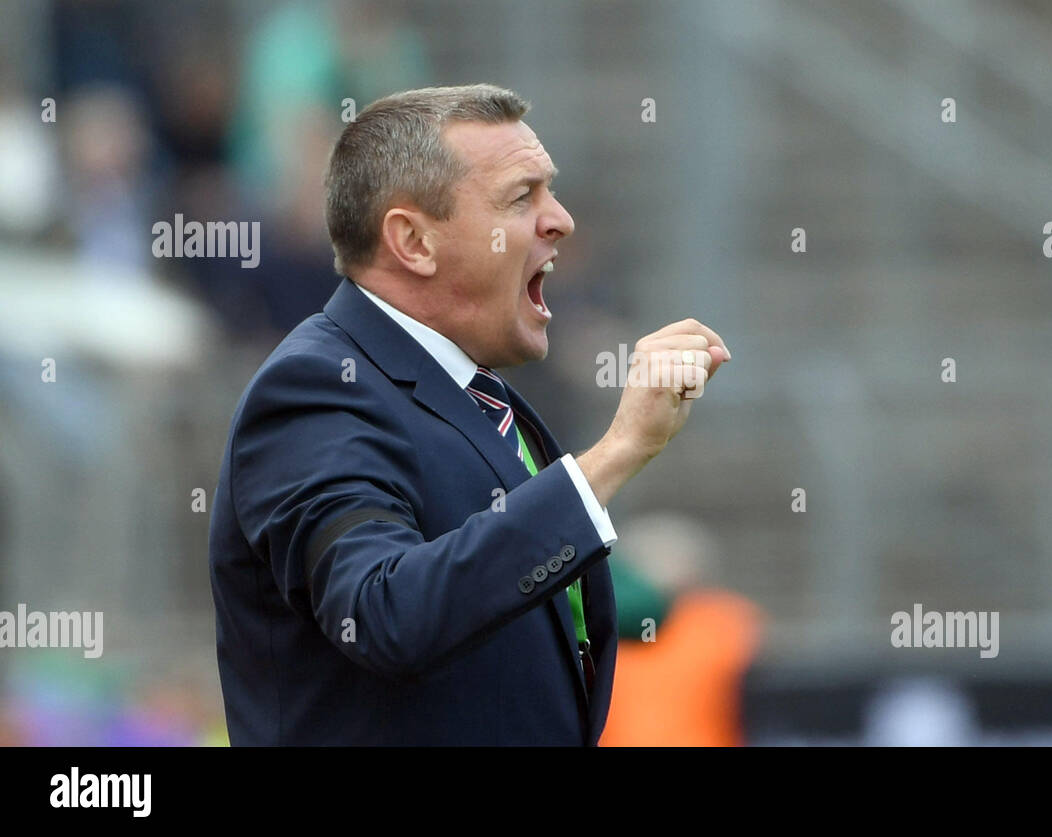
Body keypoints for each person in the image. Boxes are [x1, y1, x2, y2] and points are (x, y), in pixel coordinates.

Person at [208, 84, 730, 745]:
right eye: (521, 197)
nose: (560, 219)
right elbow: (382, 612)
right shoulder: (317, 385)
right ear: (414, 242)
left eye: (551, 190)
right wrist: (617, 451)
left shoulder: (484, 401)